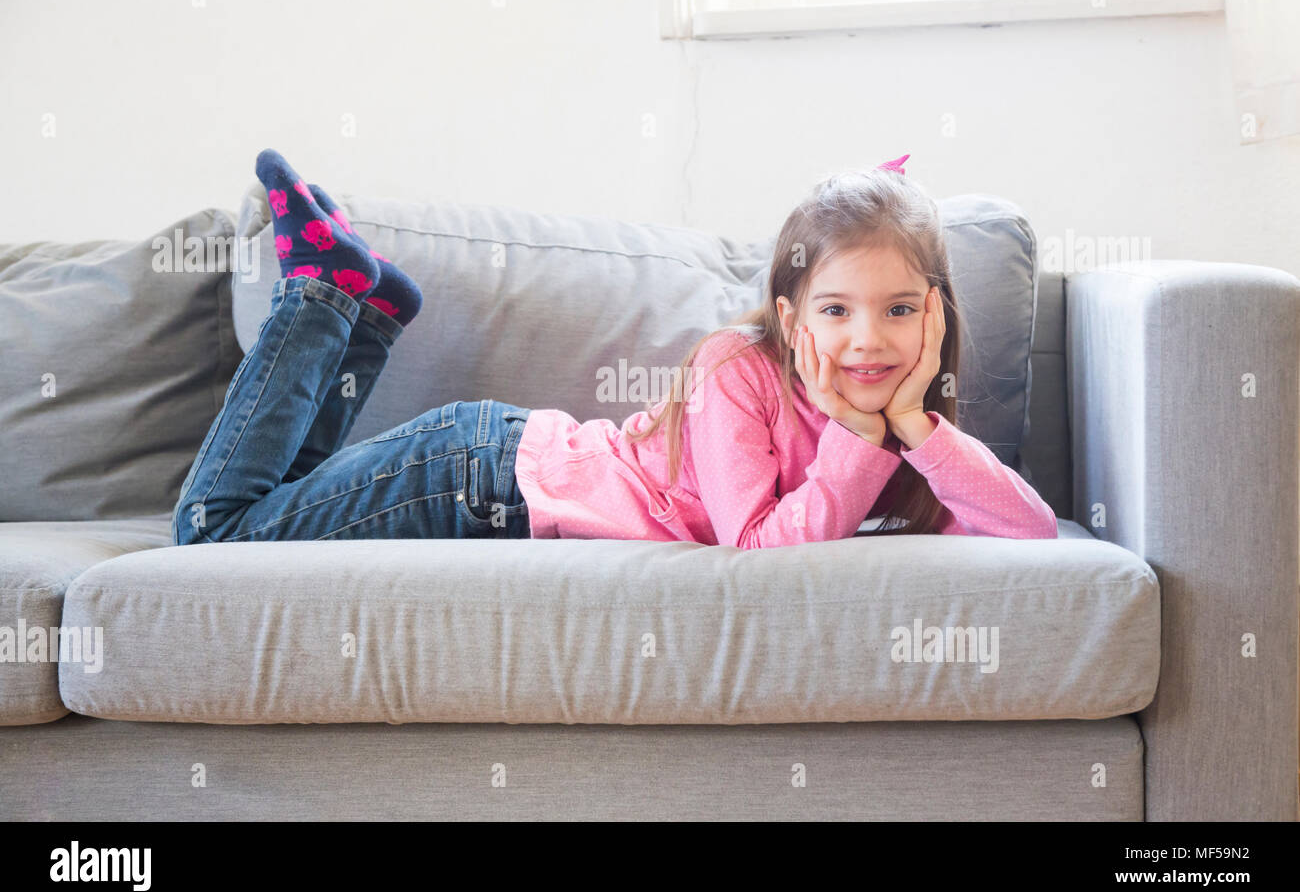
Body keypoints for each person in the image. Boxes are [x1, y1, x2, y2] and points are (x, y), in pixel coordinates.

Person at [173, 150, 1057, 548]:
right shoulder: (737, 371)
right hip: (481, 480)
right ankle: (325, 298)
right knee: (214, 533)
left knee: (270, 518)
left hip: (500, 475)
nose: (869, 338)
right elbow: (755, 551)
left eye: (900, 309)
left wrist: (919, 429)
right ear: (791, 321)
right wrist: (858, 442)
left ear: (935, 317)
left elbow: (1029, 528)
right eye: (835, 310)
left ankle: (365, 312)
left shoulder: (910, 437)